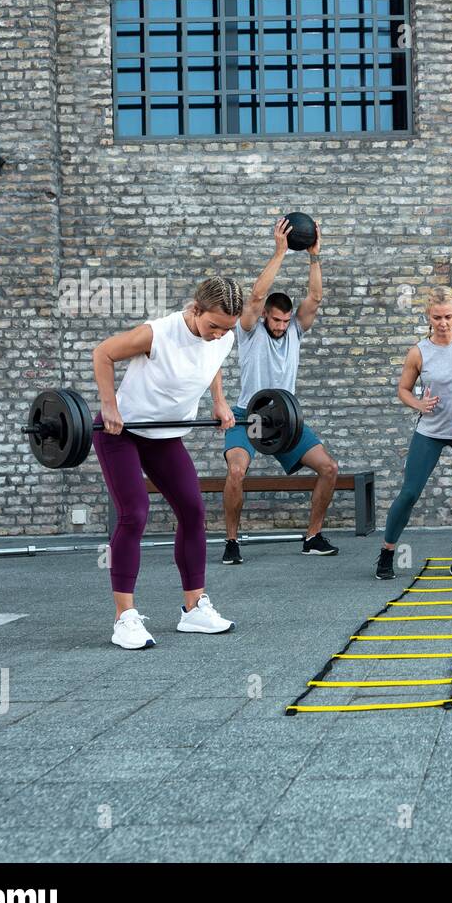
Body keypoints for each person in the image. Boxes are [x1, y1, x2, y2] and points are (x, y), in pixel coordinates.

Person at [91, 277, 242, 650]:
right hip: (121, 431)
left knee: (192, 511)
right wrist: (109, 405)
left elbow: (214, 360)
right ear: (195, 310)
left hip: (164, 435)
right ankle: (124, 618)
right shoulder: (157, 334)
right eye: (213, 326)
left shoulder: (223, 337)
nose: (219, 334)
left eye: (227, 328)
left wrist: (219, 400)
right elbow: (103, 353)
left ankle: (193, 609)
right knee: (134, 513)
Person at [221, 217, 340, 564]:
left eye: (285, 321)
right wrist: (280, 252)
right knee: (236, 471)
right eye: (275, 320)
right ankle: (231, 541)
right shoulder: (249, 330)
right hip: (250, 417)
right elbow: (257, 294)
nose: (280, 326)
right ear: (265, 318)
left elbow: (314, 298)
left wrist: (314, 255)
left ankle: (313, 536)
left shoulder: (294, 332)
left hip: (285, 417)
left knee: (329, 468)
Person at [376, 287, 452, 579]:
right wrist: (418, 403)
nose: (443, 323)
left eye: (448, 316)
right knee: (409, 493)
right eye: (437, 317)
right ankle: (386, 552)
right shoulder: (419, 352)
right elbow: (403, 390)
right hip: (431, 431)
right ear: (428, 316)